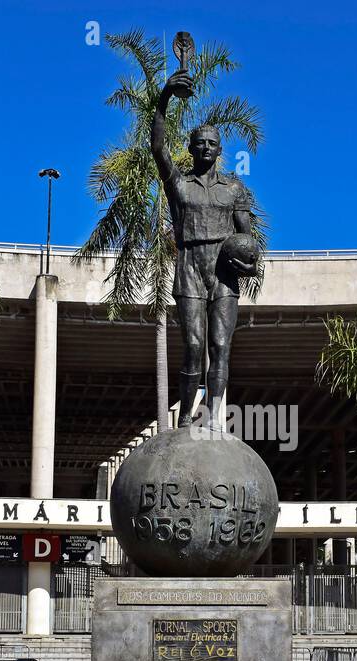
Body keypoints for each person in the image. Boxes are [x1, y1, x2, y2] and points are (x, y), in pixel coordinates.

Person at [152, 67, 258, 427]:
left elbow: (246, 238)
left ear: (220, 149)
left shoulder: (234, 189)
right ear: (191, 147)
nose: (206, 147)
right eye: (200, 142)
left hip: (224, 271)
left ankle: (212, 417)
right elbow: (157, 147)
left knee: (220, 347)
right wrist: (165, 97)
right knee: (194, 347)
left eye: (212, 143)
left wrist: (252, 264)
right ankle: (185, 415)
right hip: (190, 266)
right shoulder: (180, 185)